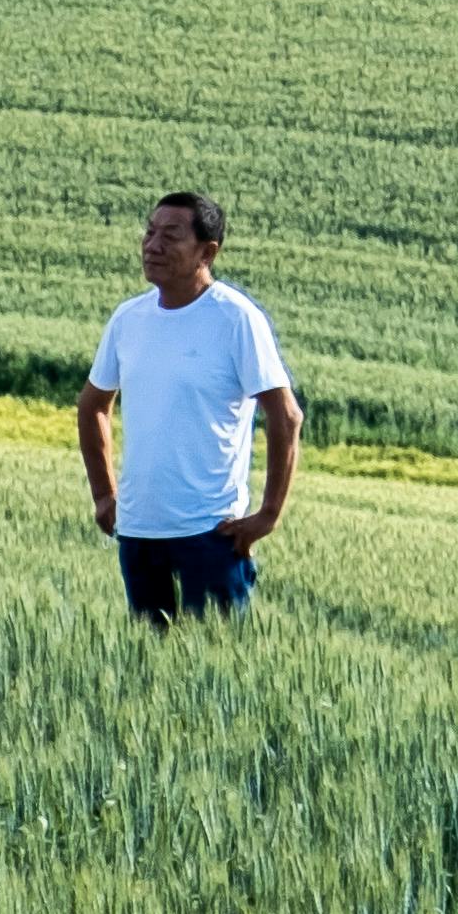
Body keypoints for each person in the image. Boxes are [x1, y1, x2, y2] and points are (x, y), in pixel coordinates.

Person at [79, 189, 297, 622]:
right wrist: (104, 495)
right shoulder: (128, 319)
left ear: (207, 252)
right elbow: (92, 407)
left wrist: (268, 515)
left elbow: (286, 415)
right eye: (149, 231)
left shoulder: (236, 318)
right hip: (139, 534)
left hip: (210, 537)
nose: (152, 244)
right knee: (150, 673)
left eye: (171, 235)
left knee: (214, 676)